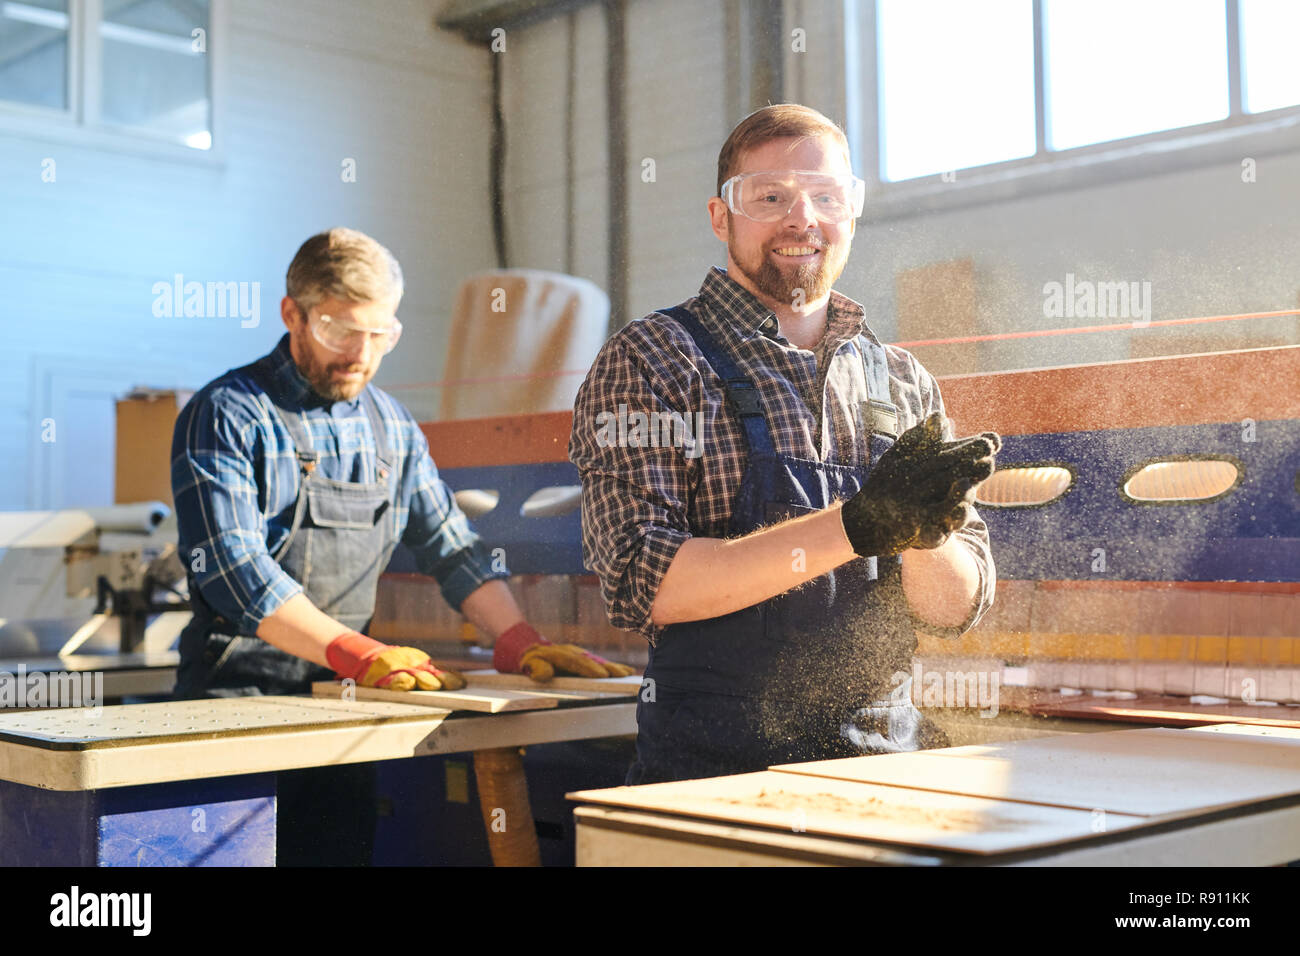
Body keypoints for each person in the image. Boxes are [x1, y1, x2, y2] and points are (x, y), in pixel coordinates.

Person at [569, 105, 1000, 785]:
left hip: (884, 772)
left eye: (826, 197)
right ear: (722, 217)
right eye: (769, 197)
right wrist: (856, 525)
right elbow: (640, 583)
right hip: (711, 780)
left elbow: (955, 612)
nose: (802, 219)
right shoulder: (654, 359)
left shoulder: (904, 381)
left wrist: (926, 531)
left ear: (851, 214)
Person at [172, 227, 630, 863]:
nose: (360, 354)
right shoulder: (226, 413)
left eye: (380, 334)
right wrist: (355, 650)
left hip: (345, 710)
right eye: (340, 331)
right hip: (231, 708)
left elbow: (452, 548)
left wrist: (517, 638)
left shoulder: (392, 427)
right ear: (292, 315)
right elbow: (234, 569)